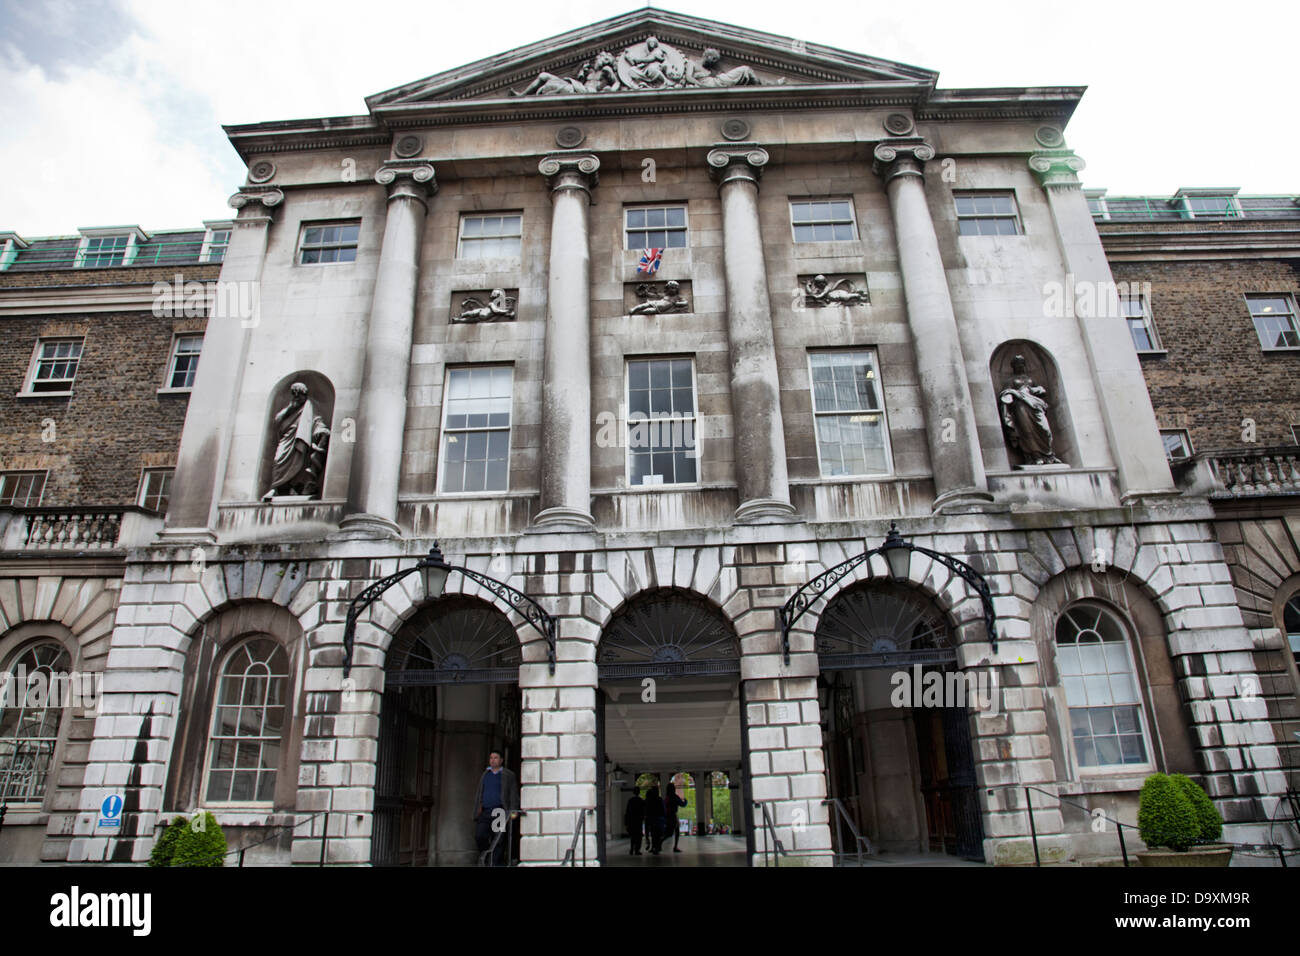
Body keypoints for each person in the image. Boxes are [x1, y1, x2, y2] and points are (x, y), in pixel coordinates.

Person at [473, 750, 518, 866]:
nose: (493, 760)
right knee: (480, 835)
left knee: (498, 839)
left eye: (496, 758)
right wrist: (477, 809)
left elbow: (513, 794)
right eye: (491, 758)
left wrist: (513, 811)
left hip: (499, 810)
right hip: (486, 810)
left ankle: (495, 863)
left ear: (501, 760)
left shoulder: (508, 775)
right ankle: (487, 855)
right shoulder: (485, 774)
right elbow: (479, 793)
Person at [664, 781, 688, 852]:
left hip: (668, 816)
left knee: (671, 832)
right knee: (673, 832)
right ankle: (674, 846)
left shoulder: (667, 798)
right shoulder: (675, 797)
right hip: (673, 816)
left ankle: (660, 843)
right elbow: (683, 804)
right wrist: (685, 800)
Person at [624, 787, 645, 856]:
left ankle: (632, 849)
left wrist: (626, 822)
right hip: (638, 820)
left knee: (633, 836)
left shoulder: (630, 800)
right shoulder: (641, 800)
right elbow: (643, 811)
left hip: (632, 820)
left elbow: (627, 811)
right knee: (639, 836)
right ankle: (637, 850)